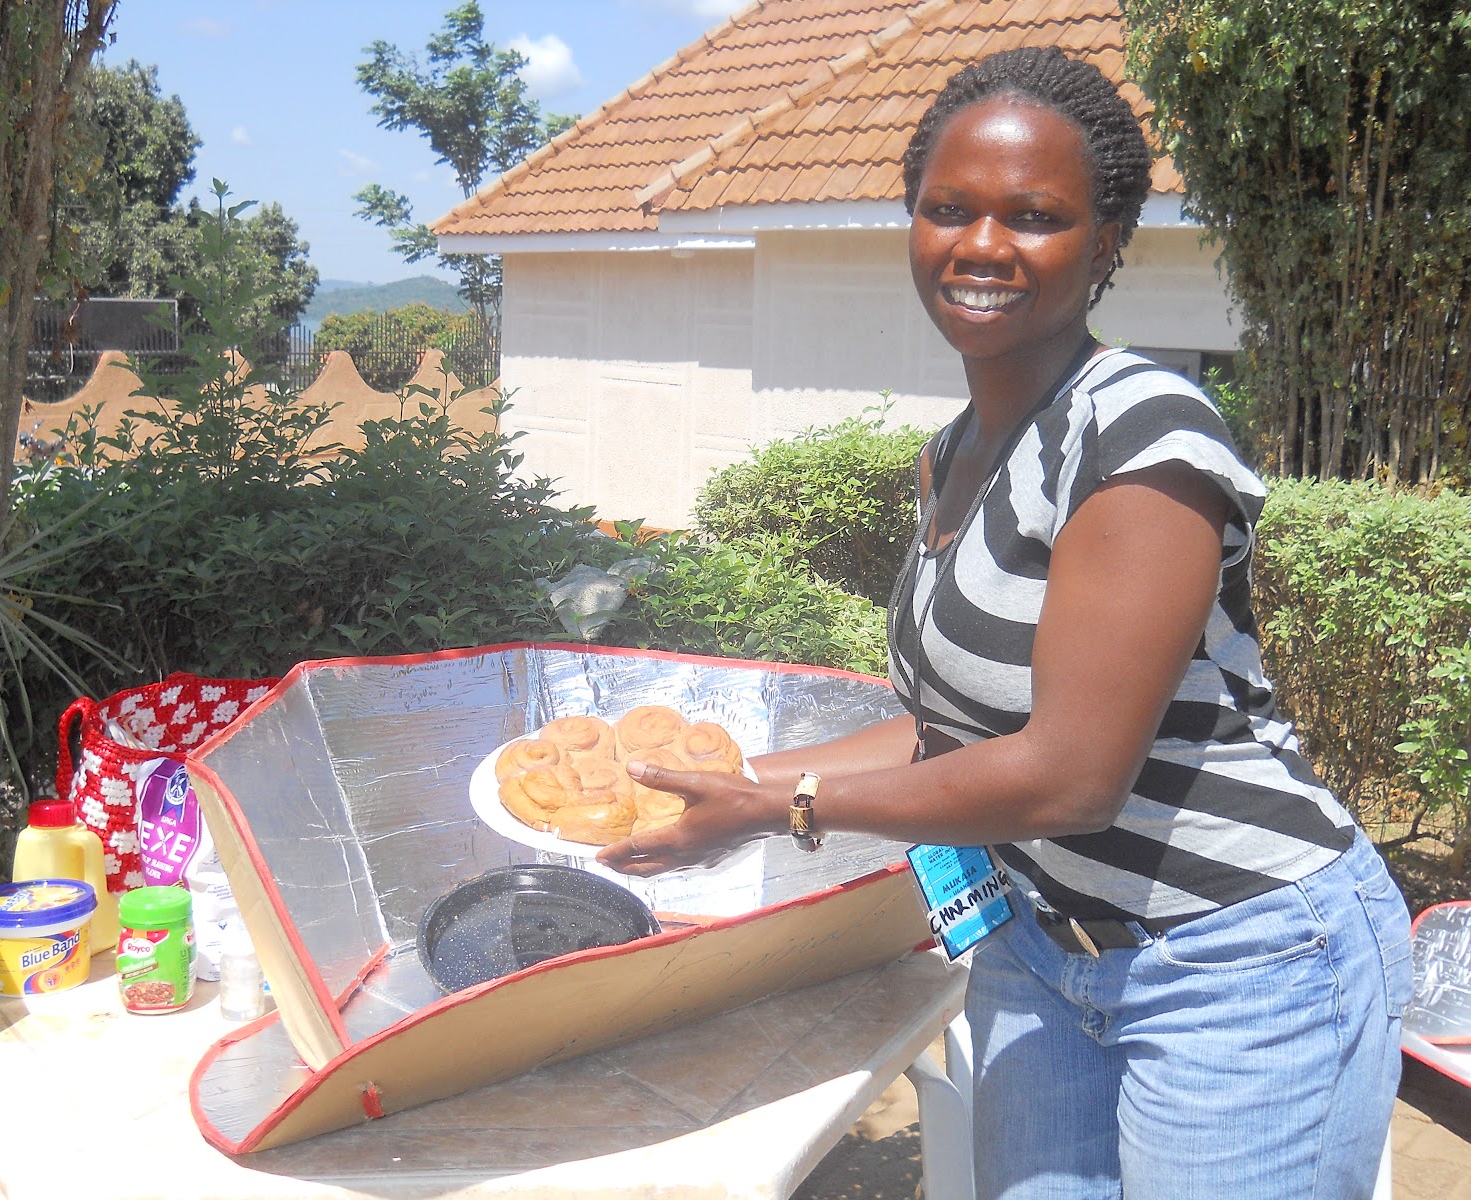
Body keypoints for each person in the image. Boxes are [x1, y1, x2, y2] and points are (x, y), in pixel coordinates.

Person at [599, 45, 1412, 1200]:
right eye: (949, 209)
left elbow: (1070, 776)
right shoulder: (954, 455)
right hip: (1040, 949)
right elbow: (946, 733)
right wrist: (706, 786)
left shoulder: (1141, 434)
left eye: (1033, 216)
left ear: (1105, 241)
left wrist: (786, 807)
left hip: (1241, 964)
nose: (981, 245)